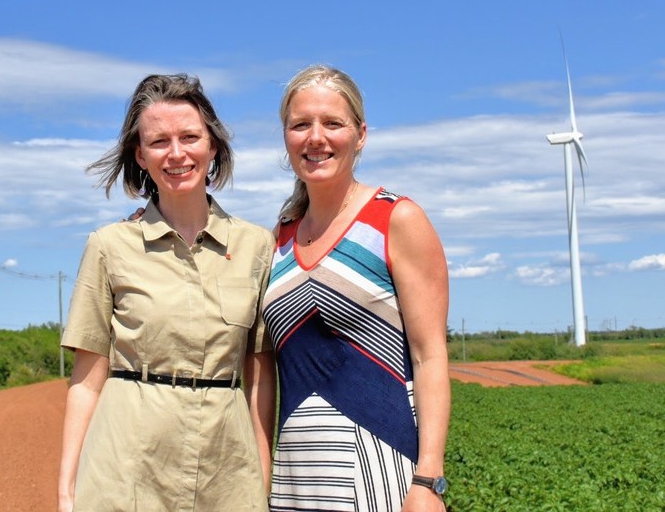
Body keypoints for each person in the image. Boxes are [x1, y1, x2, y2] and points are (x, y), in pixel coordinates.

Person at [57, 74, 276, 512]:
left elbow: (260, 376)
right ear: (140, 154)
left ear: (213, 146)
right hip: (127, 461)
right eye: (159, 142)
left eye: (190, 137)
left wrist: (261, 477)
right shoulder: (109, 245)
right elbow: (86, 380)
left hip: (226, 467)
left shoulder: (257, 246)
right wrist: (66, 490)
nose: (176, 153)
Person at [263, 65, 451, 512]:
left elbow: (430, 356)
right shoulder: (281, 237)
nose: (316, 138)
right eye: (301, 124)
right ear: (286, 136)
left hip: (380, 470)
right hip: (296, 477)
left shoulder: (396, 219)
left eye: (332, 123)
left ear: (361, 134)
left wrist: (429, 479)